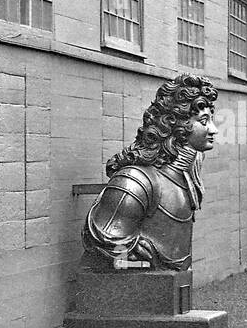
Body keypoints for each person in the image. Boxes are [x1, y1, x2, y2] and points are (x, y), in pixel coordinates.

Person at [83, 74, 219, 271]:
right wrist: (131, 256)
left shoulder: (186, 178)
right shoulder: (134, 182)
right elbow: (106, 250)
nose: (213, 129)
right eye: (204, 120)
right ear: (178, 125)